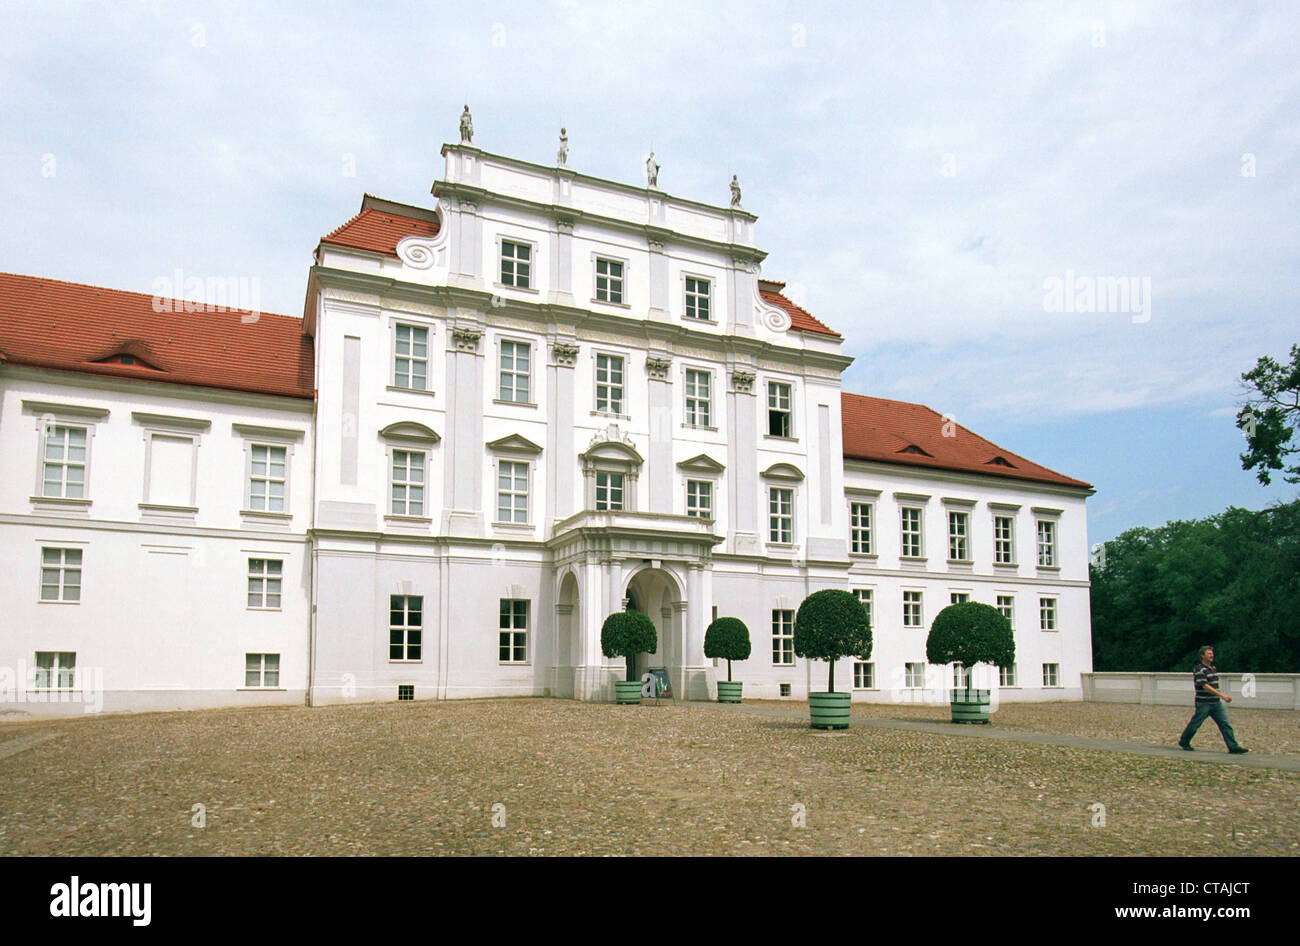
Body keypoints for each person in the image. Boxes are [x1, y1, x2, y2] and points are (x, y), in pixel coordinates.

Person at [1178, 646, 1248, 754]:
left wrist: (1218, 697)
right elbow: (1205, 686)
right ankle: (1184, 741)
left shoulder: (1213, 668)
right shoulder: (1199, 670)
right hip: (1204, 703)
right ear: (1202, 656)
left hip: (1216, 703)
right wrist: (1222, 695)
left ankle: (1233, 746)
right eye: (1209, 654)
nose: (1212, 656)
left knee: (1225, 724)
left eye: (1212, 653)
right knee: (1195, 724)